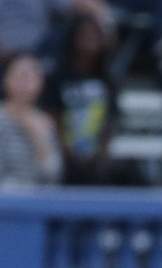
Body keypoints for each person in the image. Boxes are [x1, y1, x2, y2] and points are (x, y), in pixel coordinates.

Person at [47, 14, 135, 186]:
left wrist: (101, 153)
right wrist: (67, 152)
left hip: (97, 157)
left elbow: (111, 120)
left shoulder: (108, 80)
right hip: (63, 156)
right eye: (86, 34)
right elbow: (51, 117)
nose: (91, 40)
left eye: (96, 35)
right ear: (73, 38)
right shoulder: (57, 79)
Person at [0, 53, 62, 186]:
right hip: (4, 202)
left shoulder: (44, 121)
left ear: (41, 82)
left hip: (41, 202)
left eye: (29, 76)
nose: (23, 83)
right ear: (5, 80)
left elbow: (54, 175)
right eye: (18, 75)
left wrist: (38, 137)